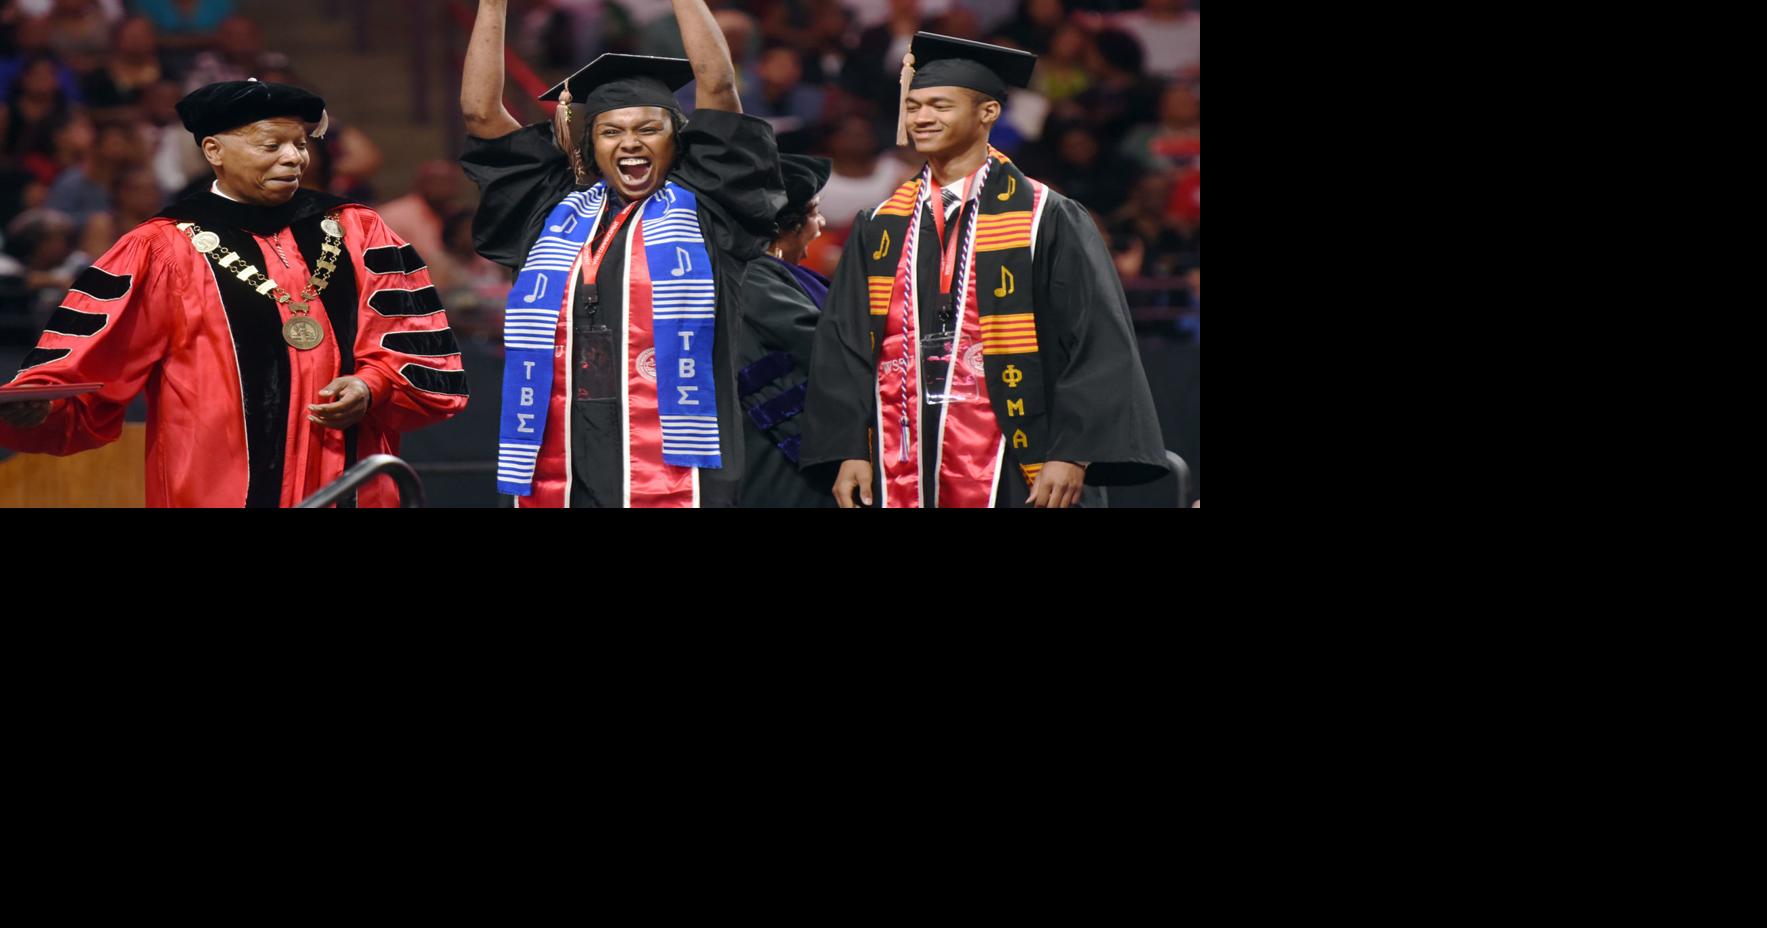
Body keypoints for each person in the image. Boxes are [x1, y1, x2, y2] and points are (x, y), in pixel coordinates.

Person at [0, 79, 469, 506]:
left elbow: (411, 338)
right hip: (215, 485)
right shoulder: (161, 248)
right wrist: (43, 403)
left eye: (300, 143)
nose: (294, 158)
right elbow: (90, 358)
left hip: (350, 480)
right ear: (214, 151)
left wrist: (372, 384)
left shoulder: (357, 230)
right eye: (272, 145)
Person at [800, 33, 1166, 508]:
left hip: (1021, 451)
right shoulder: (881, 225)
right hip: (904, 451)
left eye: (940, 105)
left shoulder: (1045, 216)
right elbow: (845, 343)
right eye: (913, 107)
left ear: (987, 112)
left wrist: (1072, 452)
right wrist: (850, 447)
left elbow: (1095, 335)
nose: (921, 118)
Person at [459, 0, 783, 508]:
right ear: (590, 144)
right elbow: (481, 114)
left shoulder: (709, 207)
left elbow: (719, 87)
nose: (630, 143)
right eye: (611, 131)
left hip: (673, 452)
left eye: (648, 129)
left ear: (678, 140)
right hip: (563, 445)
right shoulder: (553, 211)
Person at [737, 152, 833, 507]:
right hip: (779, 464)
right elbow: (824, 347)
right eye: (814, 212)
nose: (821, 223)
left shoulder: (775, 276)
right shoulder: (754, 278)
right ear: (785, 226)